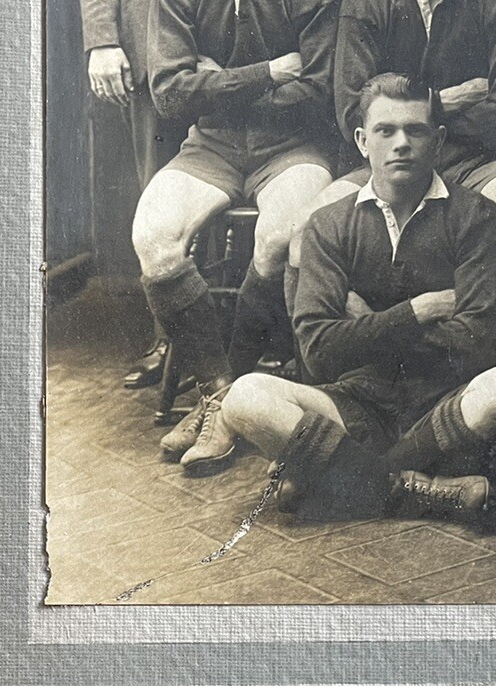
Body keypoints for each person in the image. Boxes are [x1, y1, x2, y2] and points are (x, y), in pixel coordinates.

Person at [219, 74, 496, 527]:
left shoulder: (477, 216)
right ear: (362, 141)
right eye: (385, 131)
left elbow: (476, 343)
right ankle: (414, 489)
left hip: (444, 401)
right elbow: (317, 351)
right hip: (356, 405)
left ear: (438, 140)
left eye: (415, 130)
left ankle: (345, 480)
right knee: (244, 396)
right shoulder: (329, 225)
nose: (401, 144)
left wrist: (363, 324)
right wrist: (415, 313)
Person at [136, 0, 340, 474]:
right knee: (154, 238)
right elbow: (169, 95)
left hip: (293, 145)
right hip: (210, 146)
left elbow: (318, 90)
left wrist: (216, 85)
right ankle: (220, 393)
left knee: (278, 237)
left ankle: (227, 404)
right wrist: (268, 73)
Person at [285, 0, 496, 306]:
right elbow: (353, 113)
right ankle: (357, 330)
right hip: (384, 165)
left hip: (478, 159)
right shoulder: (367, 5)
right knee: (303, 232)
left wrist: (409, 123)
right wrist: (439, 103)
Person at [81, 0, 190, 388]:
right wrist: (102, 40)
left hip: (238, 35)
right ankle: (172, 338)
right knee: (163, 200)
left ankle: (252, 337)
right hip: (153, 46)